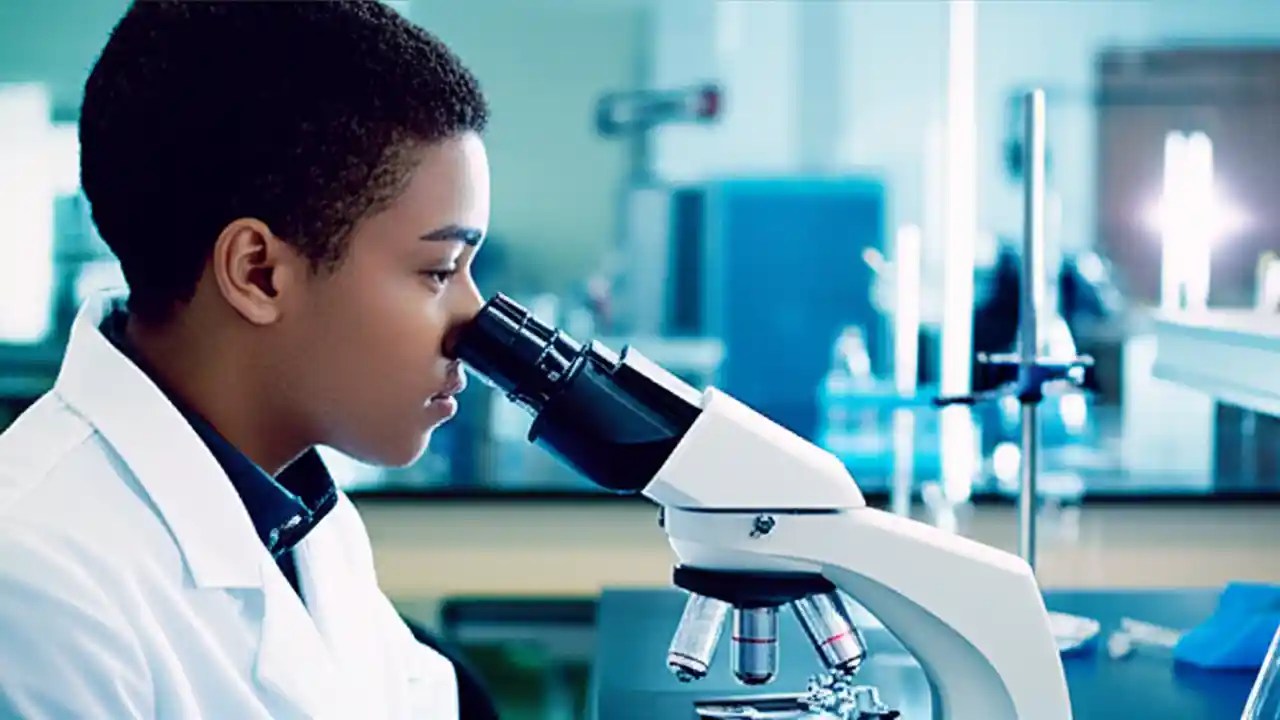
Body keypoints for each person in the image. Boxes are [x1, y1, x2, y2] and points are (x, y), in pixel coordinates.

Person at [0, 2, 495, 718]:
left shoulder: (299, 519)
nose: (473, 321)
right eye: (440, 270)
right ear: (259, 273)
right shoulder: (35, 575)